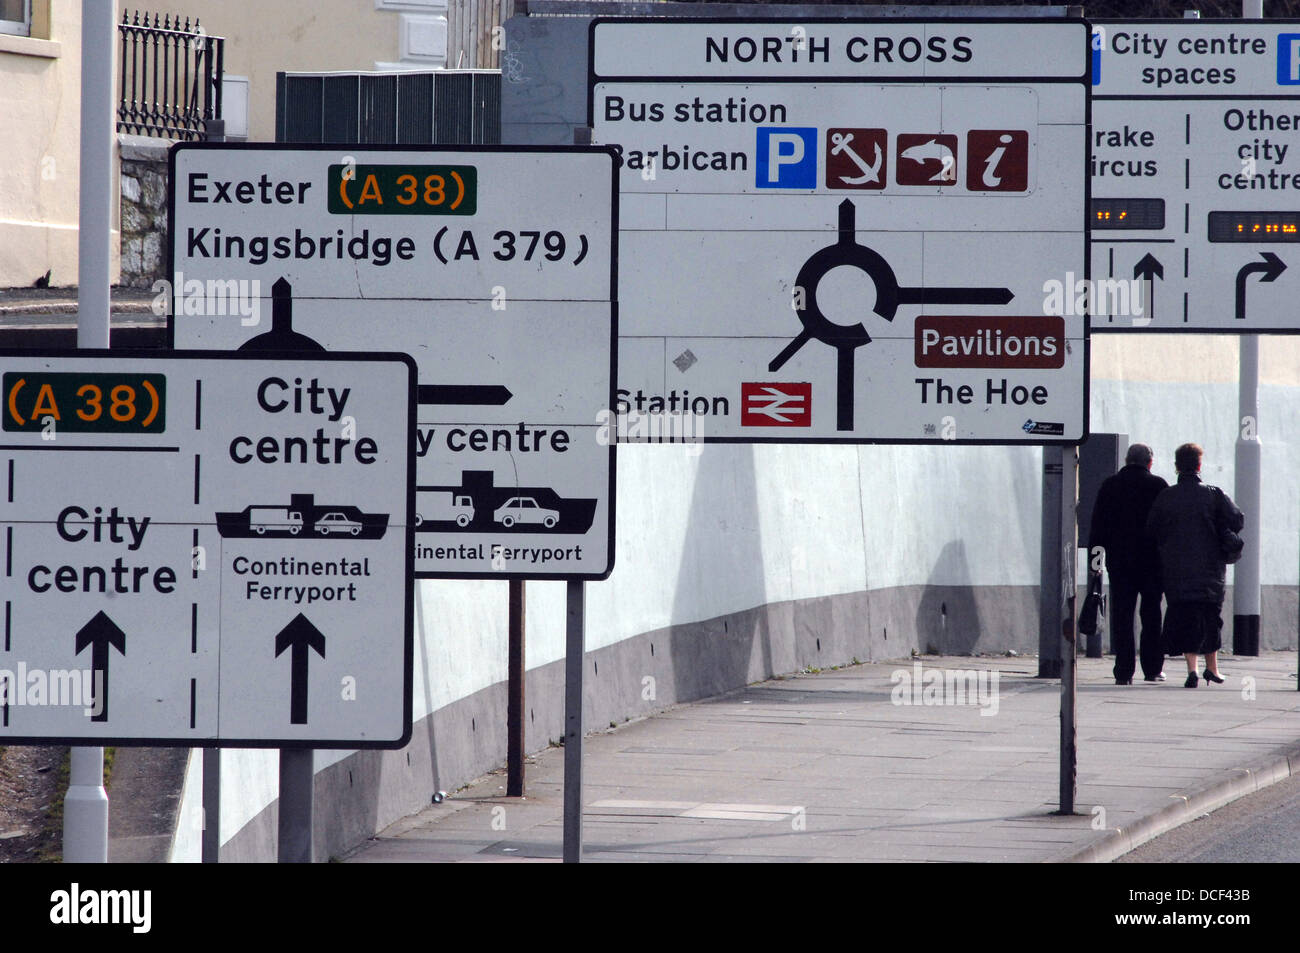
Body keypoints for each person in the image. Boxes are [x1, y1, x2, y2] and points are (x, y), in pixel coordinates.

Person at [1145, 443, 1244, 688]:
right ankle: (1213, 668)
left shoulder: (1166, 496)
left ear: (1177, 466)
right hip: (1210, 570)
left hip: (1176, 570)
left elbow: (1152, 529)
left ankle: (1193, 670)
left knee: (1185, 616)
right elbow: (1237, 519)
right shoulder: (1213, 494)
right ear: (1199, 465)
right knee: (1210, 617)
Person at [1088, 443, 1168, 685]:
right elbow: (1166, 526)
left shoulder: (1110, 485)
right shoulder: (1158, 486)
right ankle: (1153, 667)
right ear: (1149, 462)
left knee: (1122, 614)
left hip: (1120, 561)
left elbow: (1098, 527)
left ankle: (1123, 670)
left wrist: (1096, 563)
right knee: (1152, 613)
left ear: (1126, 459)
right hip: (1152, 561)